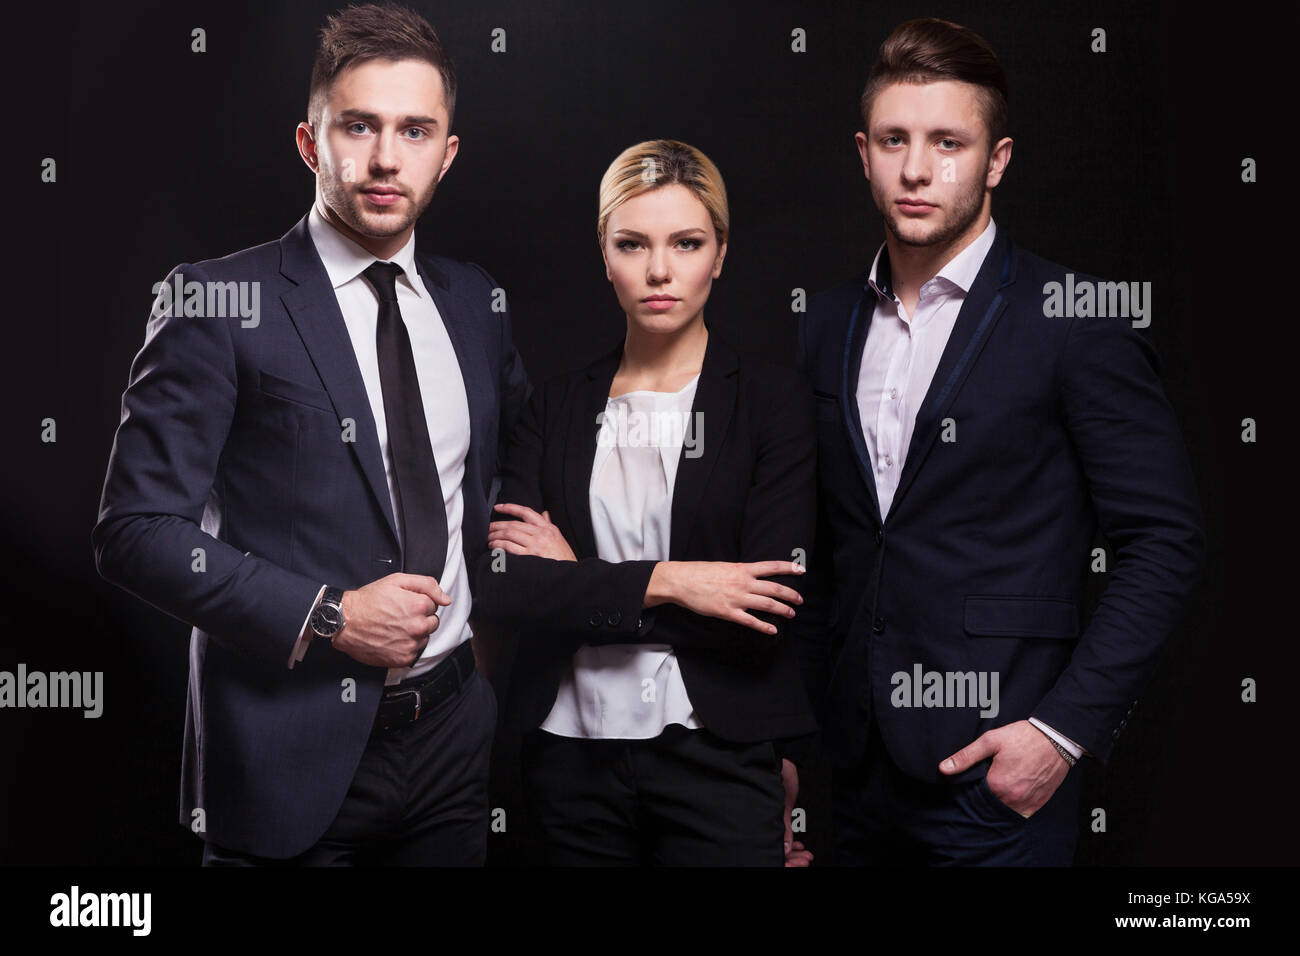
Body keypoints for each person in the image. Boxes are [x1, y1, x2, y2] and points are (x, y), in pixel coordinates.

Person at [92, 3, 529, 865]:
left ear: (446, 154)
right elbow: (134, 532)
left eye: (414, 130)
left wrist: (526, 532)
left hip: (451, 739)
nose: (383, 158)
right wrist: (329, 615)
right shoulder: (214, 303)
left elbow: (501, 463)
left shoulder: (475, 304)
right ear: (309, 141)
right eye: (357, 126)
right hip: (283, 751)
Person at [793, 18, 1205, 865]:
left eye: (948, 142)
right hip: (855, 773)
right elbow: (832, 550)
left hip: (996, 783)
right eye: (895, 140)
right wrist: (793, 746)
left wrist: (1060, 734)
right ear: (862, 151)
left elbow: (1164, 541)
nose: (916, 168)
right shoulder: (826, 323)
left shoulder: (1076, 321)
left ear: (997, 159)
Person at [473, 139, 817, 866]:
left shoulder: (771, 403)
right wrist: (679, 581)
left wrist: (580, 580)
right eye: (633, 244)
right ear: (605, 253)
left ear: (719, 253)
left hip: (719, 755)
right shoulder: (556, 407)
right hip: (567, 761)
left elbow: (765, 613)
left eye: (686, 243)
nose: (660, 270)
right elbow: (509, 587)